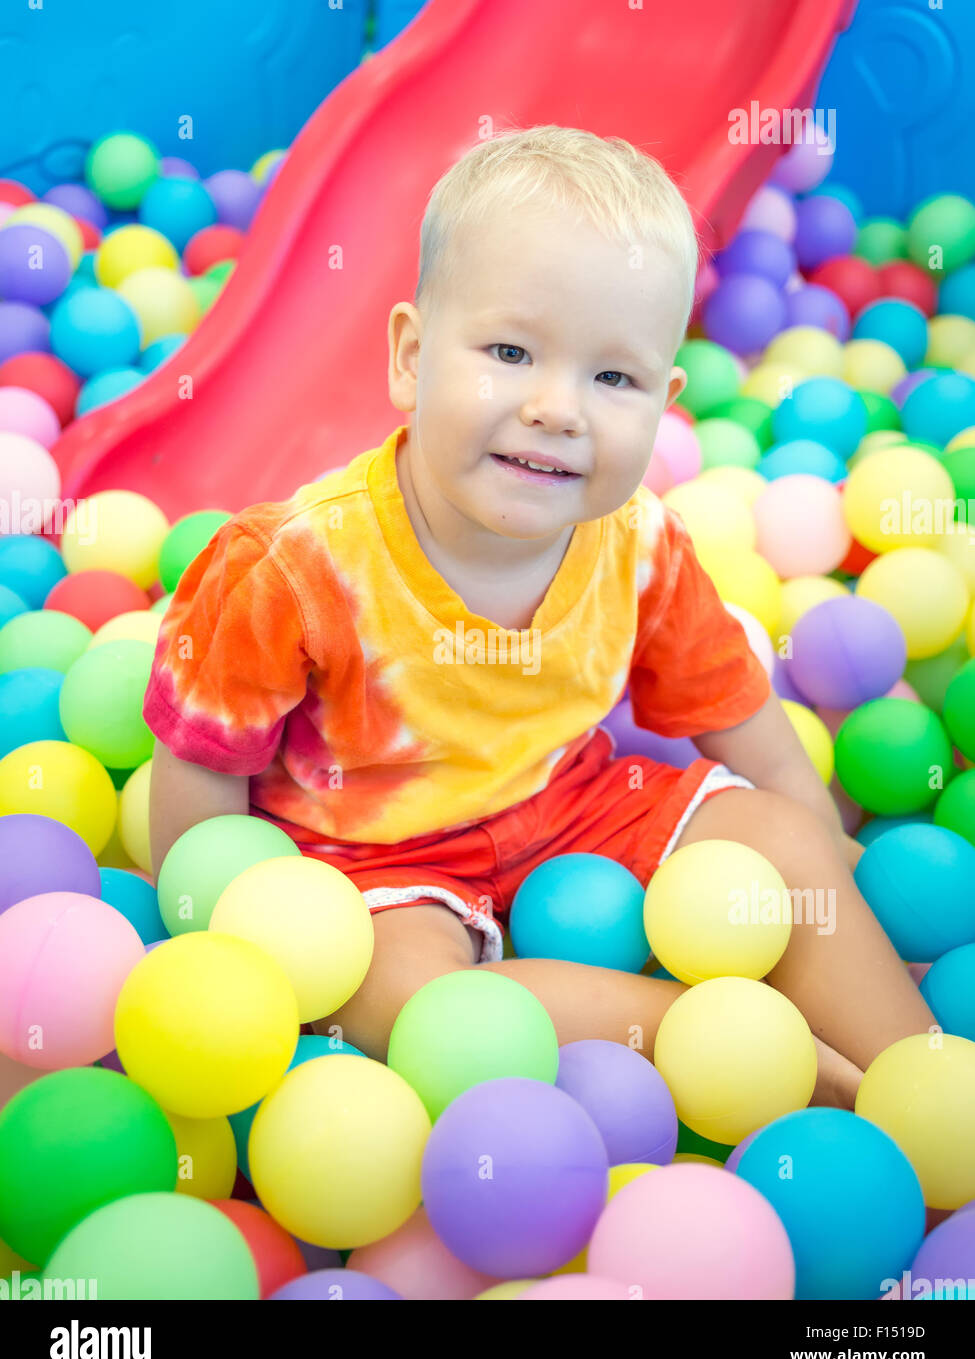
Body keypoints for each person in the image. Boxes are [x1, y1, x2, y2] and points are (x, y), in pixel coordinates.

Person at [144, 125, 936, 1109]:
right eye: (512, 351)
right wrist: (221, 954)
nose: (559, 408)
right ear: (411, 357)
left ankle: (927, 1075)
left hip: (575, 809)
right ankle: (764, 1057)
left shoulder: (639, 545)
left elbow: (758, 741)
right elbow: (200, 791)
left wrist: (825, 865)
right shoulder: (292, 566)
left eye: (614, 378)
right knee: (404, 997)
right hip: (373, 864)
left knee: (779, 835)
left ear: (665, 401)